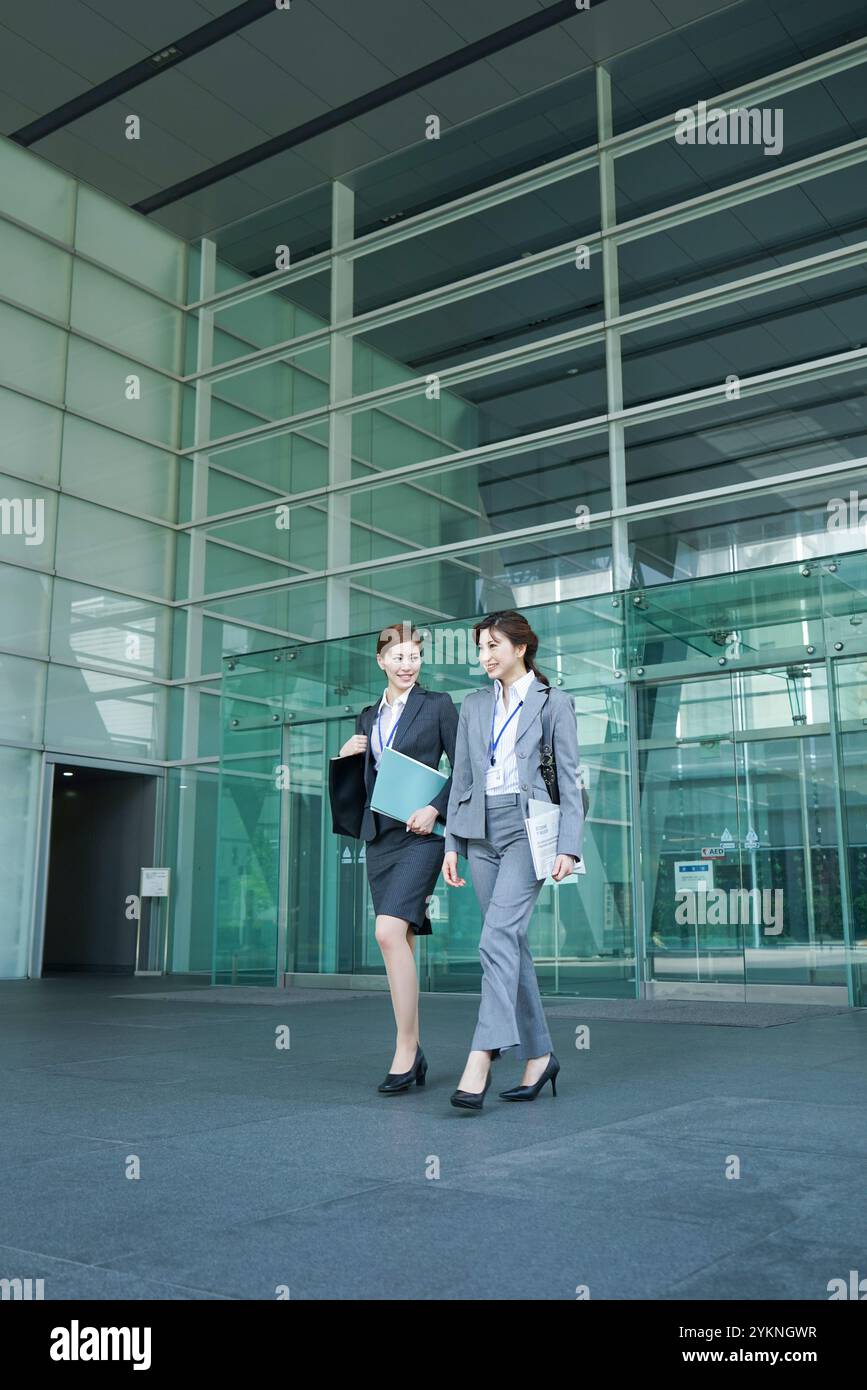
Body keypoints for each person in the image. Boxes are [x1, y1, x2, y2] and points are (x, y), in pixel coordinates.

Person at [443, 610, 584, 1110]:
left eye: (493, 647)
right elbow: (461, 778)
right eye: (480, 648)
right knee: (510, 944)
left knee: (496, 937)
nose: (484, 658)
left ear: (520, 648)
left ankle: (481, 1055)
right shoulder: (474, 705)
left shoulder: (554, 703)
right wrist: (452, 845)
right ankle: (541, 1055)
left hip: (528, 831)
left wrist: (570, 844)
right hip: (480, 831)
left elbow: (568, 779)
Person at [337, 621, 458, 1094]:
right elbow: (358, 781)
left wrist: (435, 809)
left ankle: (405, 1051)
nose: (407, 665)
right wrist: (345, 755)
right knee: (400, 944)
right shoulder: (368, 717)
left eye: (414, 656)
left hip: (421, 836)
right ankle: (414, 1049)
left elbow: (466, 765)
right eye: (398, 657)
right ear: (381, 661)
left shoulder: (438, 706)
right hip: (379, 838)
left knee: (386, 932)